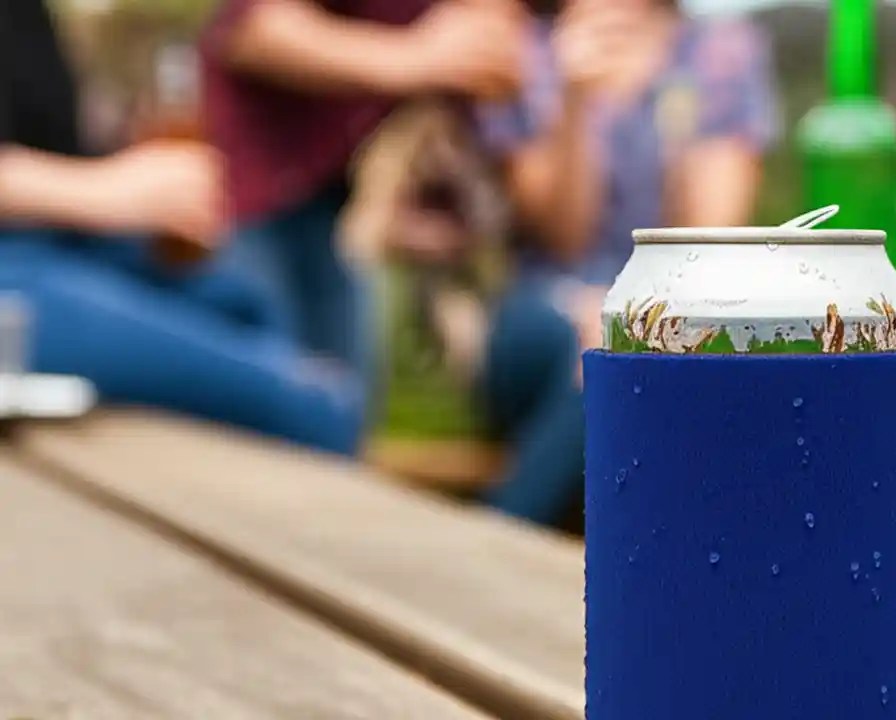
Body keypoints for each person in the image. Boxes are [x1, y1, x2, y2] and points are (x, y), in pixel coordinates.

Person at [0, 0, 363, 454]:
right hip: (15, 281)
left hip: (58, 250)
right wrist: (103, 191)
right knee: (317, 406)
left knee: (244, 306)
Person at [478, 0, 778, 525]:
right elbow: (561, 237)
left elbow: (709, 244)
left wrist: (680, 120)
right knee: (613, 347)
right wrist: (575, 104)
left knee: (636, 344)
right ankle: (502, 532)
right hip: (541, 310)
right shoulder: (523, 48)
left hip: (662, 307)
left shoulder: (720, 54)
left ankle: (498, 531)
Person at [199, 0, 525, 393]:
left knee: (337, 411)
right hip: (254, 199)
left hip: (344, 210)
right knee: (264, 412)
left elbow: (486, 60)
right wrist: (417, 56)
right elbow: (252, 28)